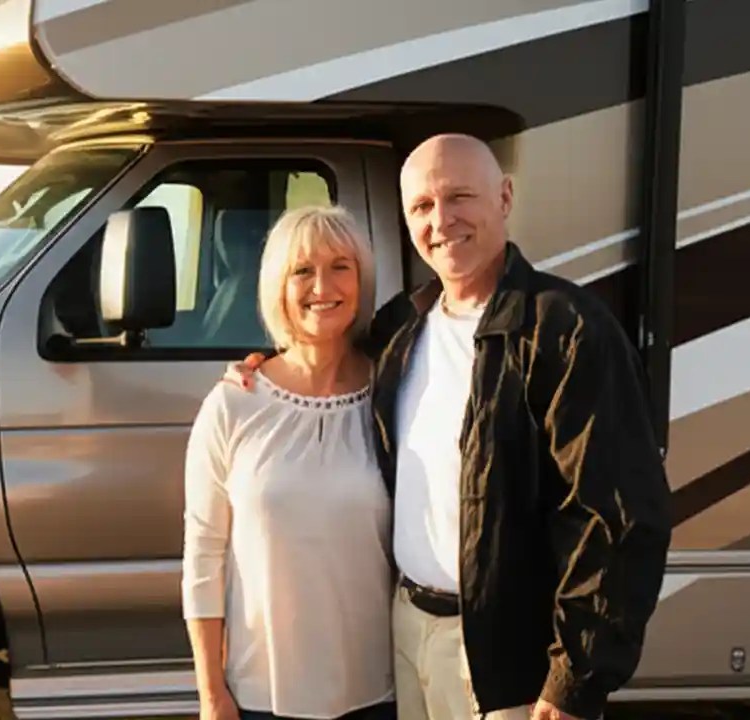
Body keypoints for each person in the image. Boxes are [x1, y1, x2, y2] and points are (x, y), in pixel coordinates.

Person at [226, 134, 672, 720]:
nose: (442, 220)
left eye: (460, 196)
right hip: (407, 636)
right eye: (422, 206)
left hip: (508, 656)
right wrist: (268, 360)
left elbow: (616, 518)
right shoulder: (399, 329)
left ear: (505, 197)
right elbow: (323, 347)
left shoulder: (566, 330)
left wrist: (573, 681)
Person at [182, 205, 397, 720]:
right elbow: (202, 556)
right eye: (302, 270)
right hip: (262, 697)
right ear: (277, 285)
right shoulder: (233, 402)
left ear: (362, 281)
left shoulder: (394, 392)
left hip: (378, 694)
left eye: (340, 266)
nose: (322, 285)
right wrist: (212, 695)